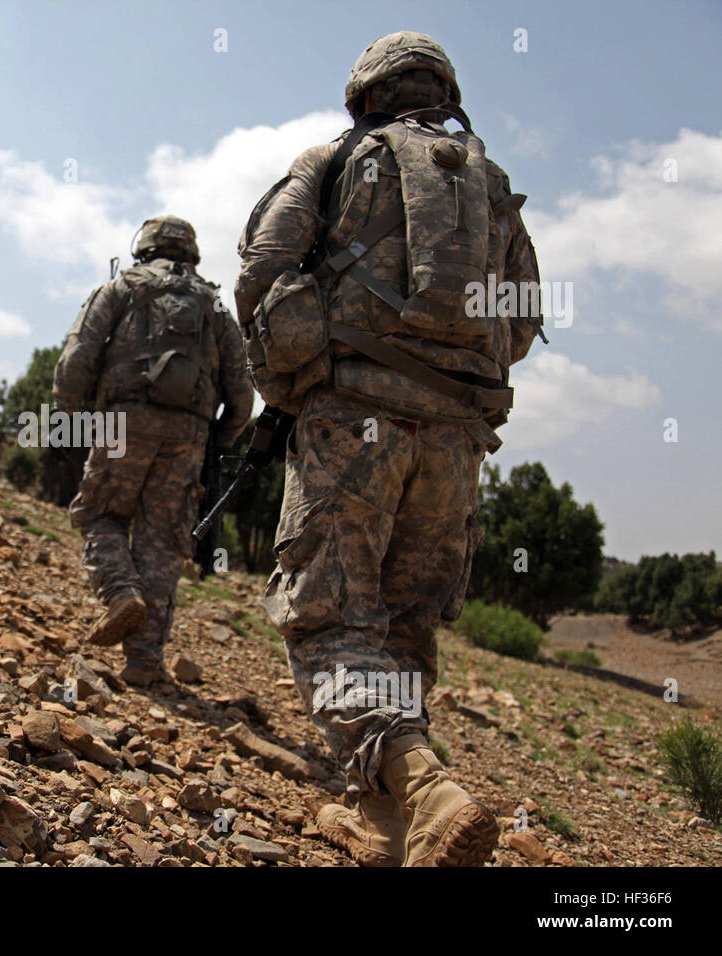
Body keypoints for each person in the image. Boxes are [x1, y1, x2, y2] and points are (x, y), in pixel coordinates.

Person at [234, 31, 544, 866]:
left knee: (328, 617)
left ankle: (426, 787)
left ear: (366, 97)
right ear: (442, 92)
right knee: (404, 627)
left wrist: (292, 381)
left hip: (354, 417)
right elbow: (519, 325)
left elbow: (265, 268)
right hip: (457, 438)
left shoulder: (336, 159)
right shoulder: (492, 184)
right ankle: (388, 825)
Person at [54, 216, 253, 686]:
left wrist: (68, 412)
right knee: (163, 543)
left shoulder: (122, 287)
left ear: (143, 247)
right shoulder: (213, 304)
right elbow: (243, 393)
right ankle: (144, 662)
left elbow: (77, 356)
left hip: (123, 420)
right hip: (189, 432)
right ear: (192, 253)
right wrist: (216, 440)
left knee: (99, 515)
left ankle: (120, 591)